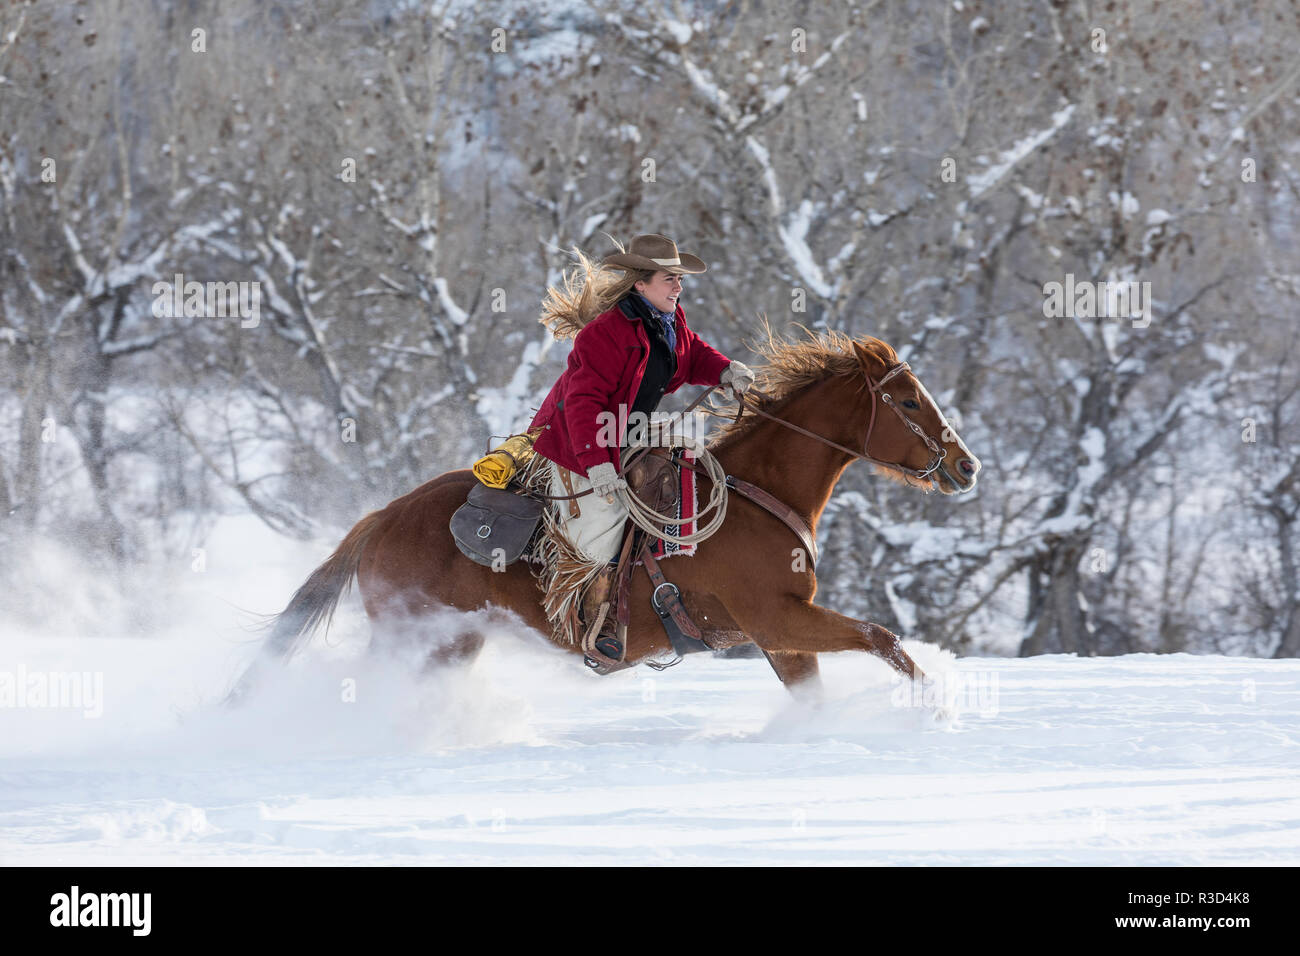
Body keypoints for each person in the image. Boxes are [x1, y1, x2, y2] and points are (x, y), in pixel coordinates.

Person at [529, 234, 754, 659]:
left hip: (627, 433)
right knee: (604, 524)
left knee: (690, 467)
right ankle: (595, 627)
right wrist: (596, 464)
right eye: (670, 278)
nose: (678, 287)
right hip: (576, 442)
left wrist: (725, 370)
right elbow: (582, 403)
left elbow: (691, 355)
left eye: (679, 279)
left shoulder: (668, 319)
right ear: (640, 283)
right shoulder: (604, 334)